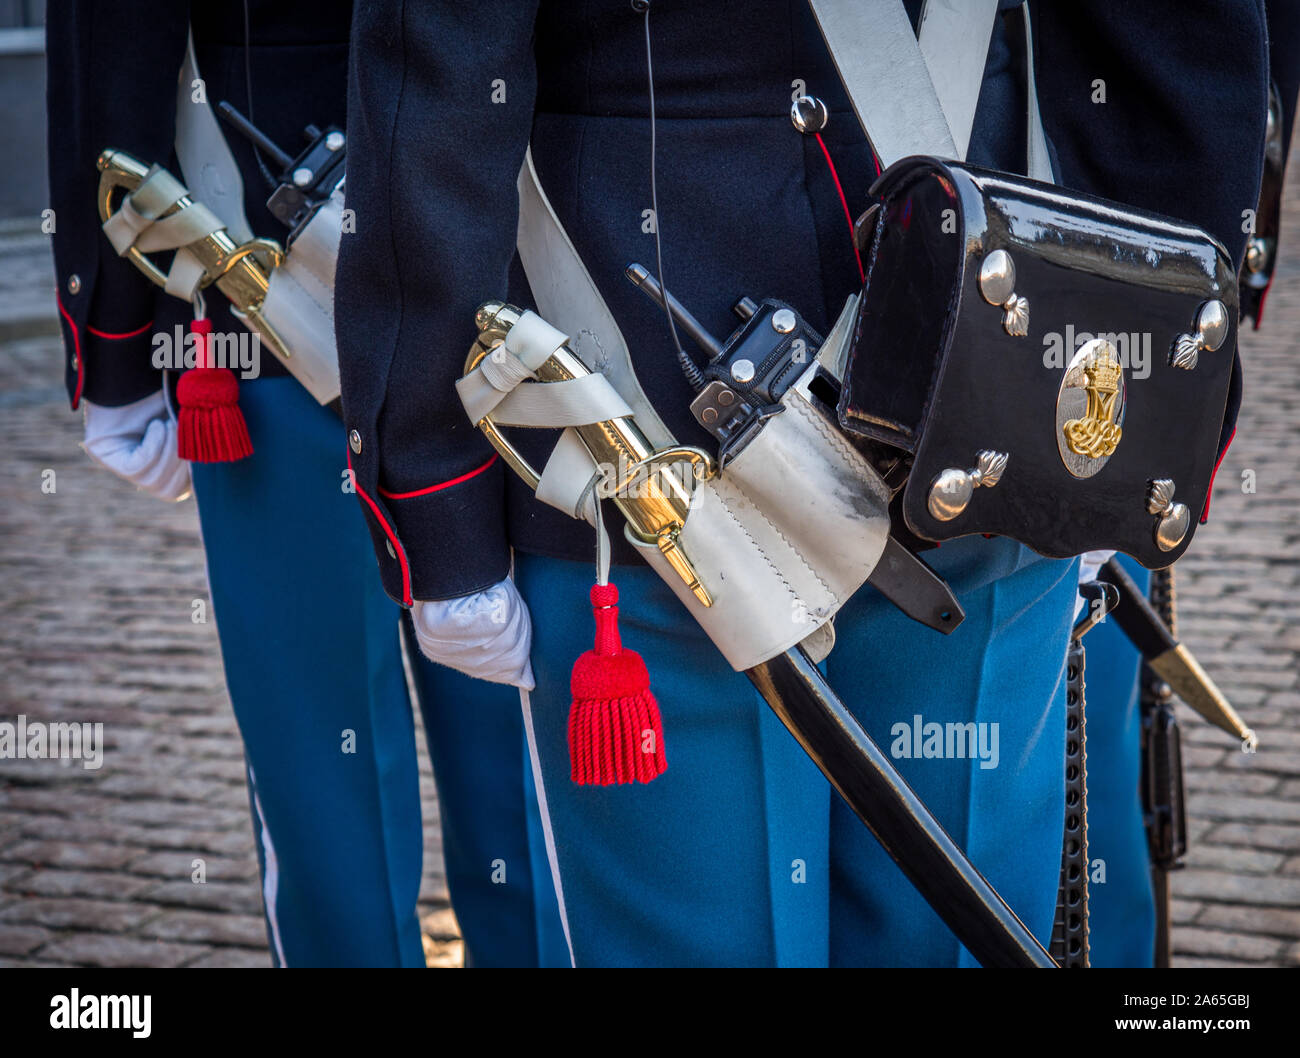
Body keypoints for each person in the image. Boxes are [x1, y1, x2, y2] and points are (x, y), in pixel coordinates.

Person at [336, 0, 1267, 965]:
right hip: (986, 365)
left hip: (655, 400)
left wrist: (431, 484)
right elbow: (1186, 63)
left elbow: (439, 67)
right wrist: (1152, 405)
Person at [46, 0, 566, 968]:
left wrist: (114, 337)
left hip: (281, 242)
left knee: (342, 812)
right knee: (517, 795)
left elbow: (112, 32)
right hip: (491, 246)